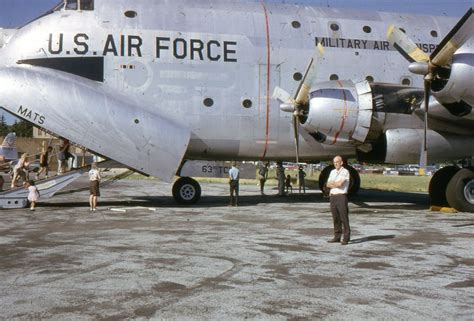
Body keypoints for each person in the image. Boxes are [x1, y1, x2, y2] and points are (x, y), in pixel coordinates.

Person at [326, 156, 351, 245]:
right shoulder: (332, 172)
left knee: (344, 218)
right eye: (334, 162)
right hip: (333, 196)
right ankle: (337, 236)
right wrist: (334, 184)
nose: (335, 163)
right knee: (335, 218)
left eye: (337, 162)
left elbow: (340, 184)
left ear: (341, 162)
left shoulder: (345, 172)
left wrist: (334, 184)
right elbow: (328, 184)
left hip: (341, 196)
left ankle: (346, 238)